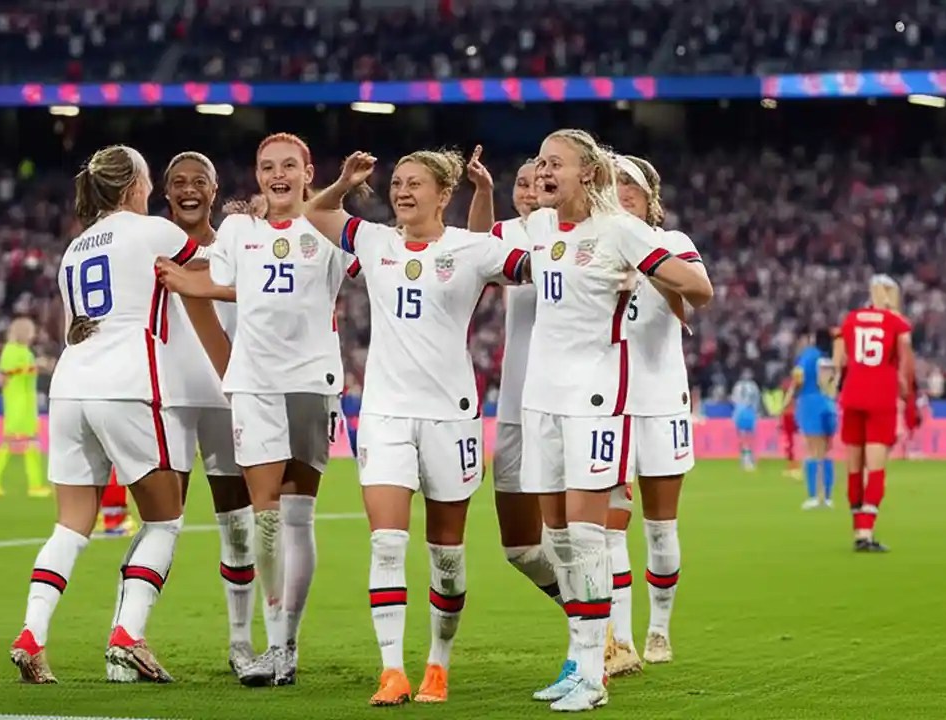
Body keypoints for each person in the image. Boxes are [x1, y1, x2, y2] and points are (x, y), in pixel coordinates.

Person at [303, 146, 521, 706]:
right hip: (385, 414)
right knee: (386, 543)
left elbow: (523, 265)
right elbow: (314, 213)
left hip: (451, 415)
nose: (401, 191)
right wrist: (344, 181)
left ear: (443, 194)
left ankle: (438, 664)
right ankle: (392, 670)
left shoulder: (469, 248)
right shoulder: (374, 242)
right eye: (397, 182)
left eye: (414, 183)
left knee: (446, 557)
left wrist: (489, 194)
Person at [9, 144, 225, 684]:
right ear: (134, 186)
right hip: (127, 385)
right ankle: (128, 634)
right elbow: (216, 266)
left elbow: (75, 326)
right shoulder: (152, 232)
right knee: (164, 520)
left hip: (69, 387)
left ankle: (32, 634)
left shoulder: (74, 249)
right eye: (148, 179)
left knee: (69, 525)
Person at [519, 130, 713, 712]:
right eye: (540, 162)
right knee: (556, 540)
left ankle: (593, 672)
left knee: (589, 536)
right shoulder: (538, 226)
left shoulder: (621, 230)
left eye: (555, 163)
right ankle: (582, 660)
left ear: (587, 172)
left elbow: (699, 288)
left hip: (598, 401)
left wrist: (651, 274)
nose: (542, 171)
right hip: (541, 400)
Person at [155, 133, 355, 687]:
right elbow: (224, 283)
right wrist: (178, 277)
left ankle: (287, 644)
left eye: (289, 165)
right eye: (268, 167)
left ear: (308, 172)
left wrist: (339, 188)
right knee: (264, 516)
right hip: (255, 385)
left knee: (297, 517)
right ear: (257, 174)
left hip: (312, 381)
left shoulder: (329, 228)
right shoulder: (240, 230)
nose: (278, 174)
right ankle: (273, 644)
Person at [157, 150, 268, 673]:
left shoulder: (238, 246)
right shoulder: (150, 247)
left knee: (238, 527)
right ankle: (129, 635)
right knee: (160, 524)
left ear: (214, 190)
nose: (189, 189)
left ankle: (241, 643)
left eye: (199, 181)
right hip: (169, 401)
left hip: (228, 400)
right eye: (178, 181)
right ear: (165, 192)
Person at [601, 154, 706, 678]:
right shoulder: (593, 246)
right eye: (614, 184)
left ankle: (659, 627)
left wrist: (647, 261)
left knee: (660, 529)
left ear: (650, 200)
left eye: (632, 187)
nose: (622, 193)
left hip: (662, 401)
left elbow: (697, 297)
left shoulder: (674, 243)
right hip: (607, 406)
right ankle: (619, 641)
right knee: (610, 529)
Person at [479, 161, 578, 686]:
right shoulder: (507, 236)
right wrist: (481, 191)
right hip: (515, 403)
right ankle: (591, 615)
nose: (529, 189)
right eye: (520, 182)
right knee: (520, 547)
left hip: (569, 402)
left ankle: (592, 642)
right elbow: (470, 253)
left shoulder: (585, 236)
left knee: (573, 536)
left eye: (540, 180)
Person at [834, 275, 913, 553]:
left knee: (854, 467)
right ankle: (866, 531)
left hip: (852, 395)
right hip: (881, 397)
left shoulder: (851, 319)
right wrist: (906, 394)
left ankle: (857, 531)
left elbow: (839, 361)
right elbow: (906, 363)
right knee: (875, 469)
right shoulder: (897, 323)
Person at [0, 317, 50, 498]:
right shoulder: (11, 350)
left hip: (26, 401)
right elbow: (5, 375)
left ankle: (0, 482)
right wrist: (33, 367)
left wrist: (36, 367)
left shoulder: (24, 351)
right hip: (17, 401)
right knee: (17, 441)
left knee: (27, 442)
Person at [790, 329, 838, 509]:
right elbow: (832, 383)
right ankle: (827, 496)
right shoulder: (827, 358)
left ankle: (813, 496)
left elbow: (798, 378)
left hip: (810, 404)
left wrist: (791, 397)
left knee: (812, 451)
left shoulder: (808, 356)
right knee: (825, 451)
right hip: (828, 405)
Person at [732, 369, 761, 473]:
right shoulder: (753, 386)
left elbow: (734, 399)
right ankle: (748, 459)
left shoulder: (738, 386)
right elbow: (757, 399)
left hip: (740, 412)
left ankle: (744, 458)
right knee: (749, 437)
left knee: (743, 436)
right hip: (749, 411)